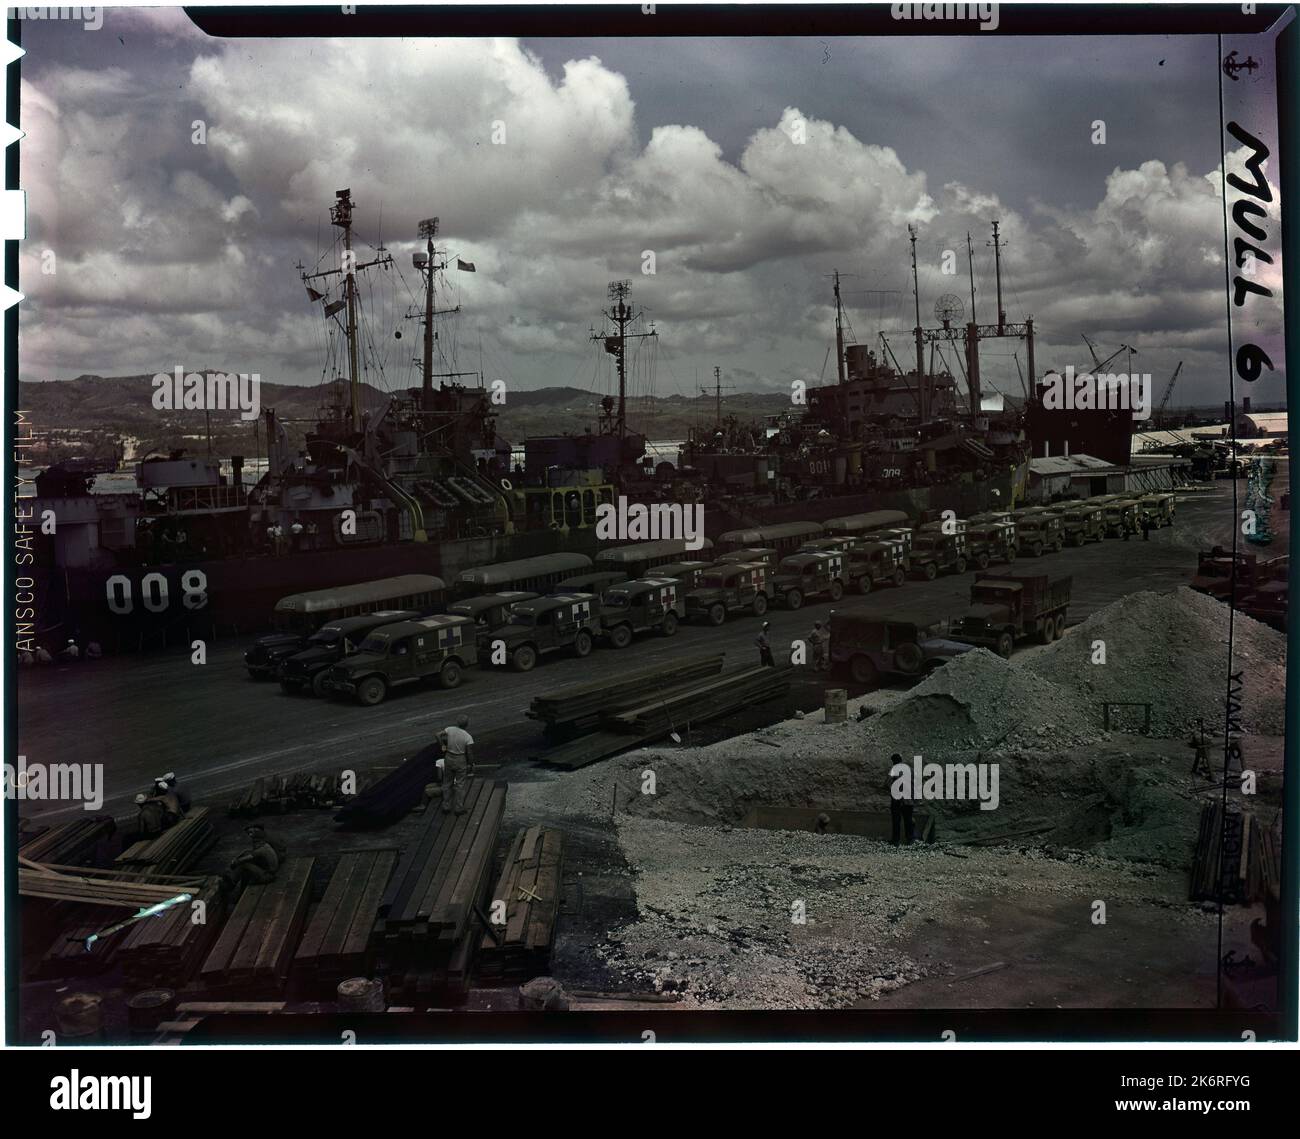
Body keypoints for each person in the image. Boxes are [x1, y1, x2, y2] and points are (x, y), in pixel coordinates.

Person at [223, 823, 281, 890]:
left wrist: (235, 862)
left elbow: (245, 859)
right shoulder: (265, 845)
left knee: (244, 865)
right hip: (269, 871)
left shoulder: (261, 849)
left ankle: (231, 883)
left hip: (267, 875)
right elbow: (249, 853)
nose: (254, 843)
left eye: (255, 841)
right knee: (245, 864)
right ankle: (235, 882)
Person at [439, 715, 474, 815]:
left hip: (449, 756)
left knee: (447, 782)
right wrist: (471, 763)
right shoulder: (467, 737)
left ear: (457, 722)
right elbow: (469, 753)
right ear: (467, 724)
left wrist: (442, 746)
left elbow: (437, 734)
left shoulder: (449, 729)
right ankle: (458, 808)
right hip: (460, 759)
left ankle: (446, 806)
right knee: (460, 784)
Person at [888, 752, 916, 847]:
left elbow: (886, 783)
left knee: (896, 820)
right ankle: (910, 839)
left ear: (894, 761)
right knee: (908, 820)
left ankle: (896, 841)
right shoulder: (911, 770)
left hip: (897, 800)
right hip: (909, 799)